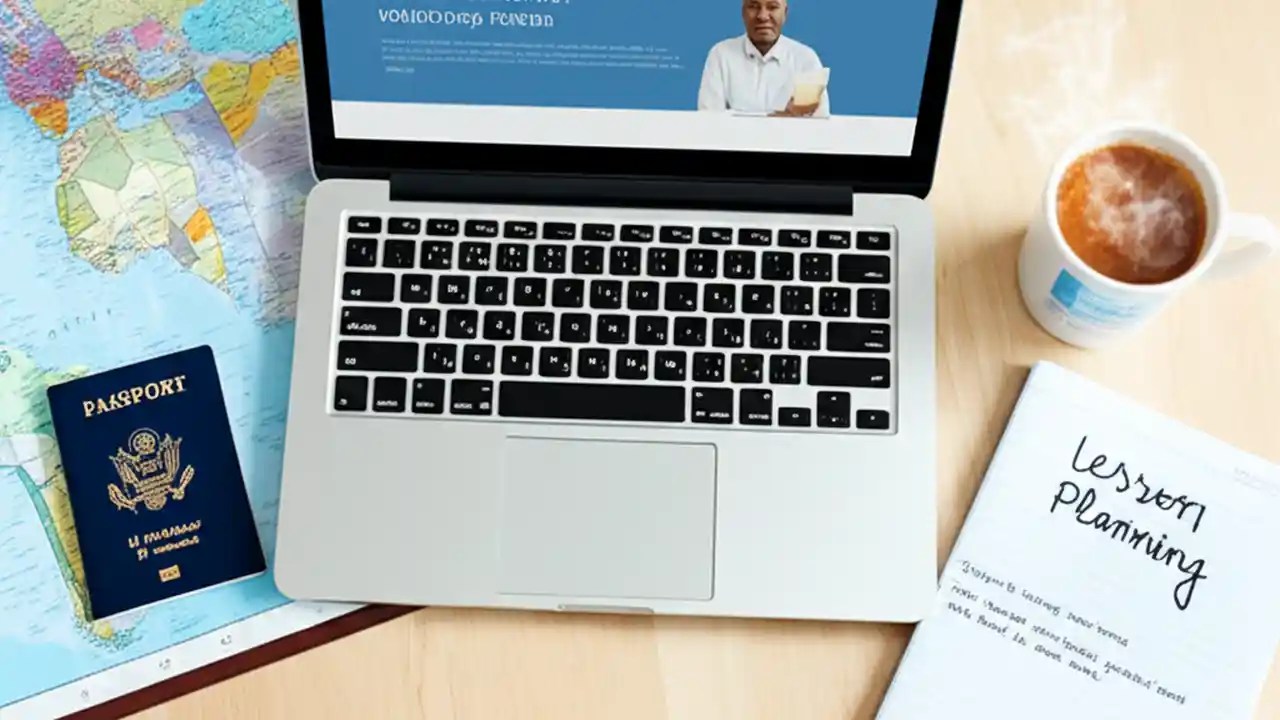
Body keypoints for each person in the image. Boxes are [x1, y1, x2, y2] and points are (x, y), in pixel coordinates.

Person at [697, 0, 829, 117]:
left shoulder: (805, 59)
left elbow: (816, 126)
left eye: (772, 7)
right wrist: (783, 117)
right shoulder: (721, 55)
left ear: (785, 13)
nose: (762, 16)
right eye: (754, 6)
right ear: (743, 12)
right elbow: (709, 120)